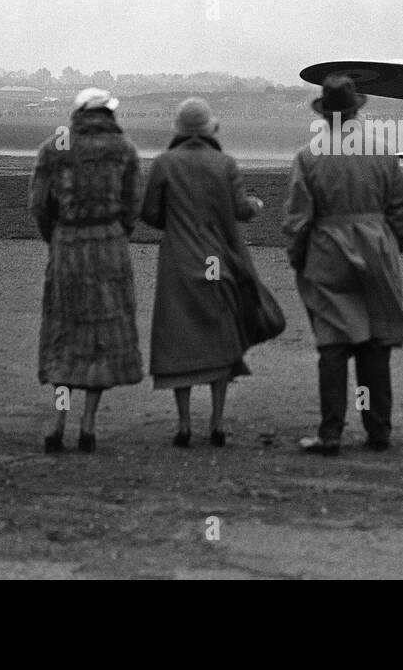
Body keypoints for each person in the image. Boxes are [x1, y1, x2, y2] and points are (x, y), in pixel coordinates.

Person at [283, 74, 403, 455]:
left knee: (334, 345)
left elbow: (296, 218)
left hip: (326, 254)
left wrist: (299, 257)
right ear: (356, 109)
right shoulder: (382, 151)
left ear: (325, 113)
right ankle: (378, 432)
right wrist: (392, 246)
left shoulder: (309, 155)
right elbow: (402, 209)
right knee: (375, 344)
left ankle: (331, 433)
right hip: (377, 248)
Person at [141, 97, 264, 448]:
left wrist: (176, 224)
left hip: (178, 260)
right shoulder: (224, 163)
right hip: (216, 259)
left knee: (177, 336)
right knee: (218, 336)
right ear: (210, 128)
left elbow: (149, 212)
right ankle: (217, 422)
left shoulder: (165, 163)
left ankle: (182, 424)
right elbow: (241, 210)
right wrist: (254, 206)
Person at [30, 88, 145, 454]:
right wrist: (114, 232)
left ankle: (58, 422)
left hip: (67, 247)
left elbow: (39, 205)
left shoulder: (55, 146)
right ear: (108, 114)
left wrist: (59, 237)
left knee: (64, 333)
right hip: (109, 246)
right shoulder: (123, 149)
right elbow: (133, 204)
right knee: (101, 337)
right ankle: (89, 425)